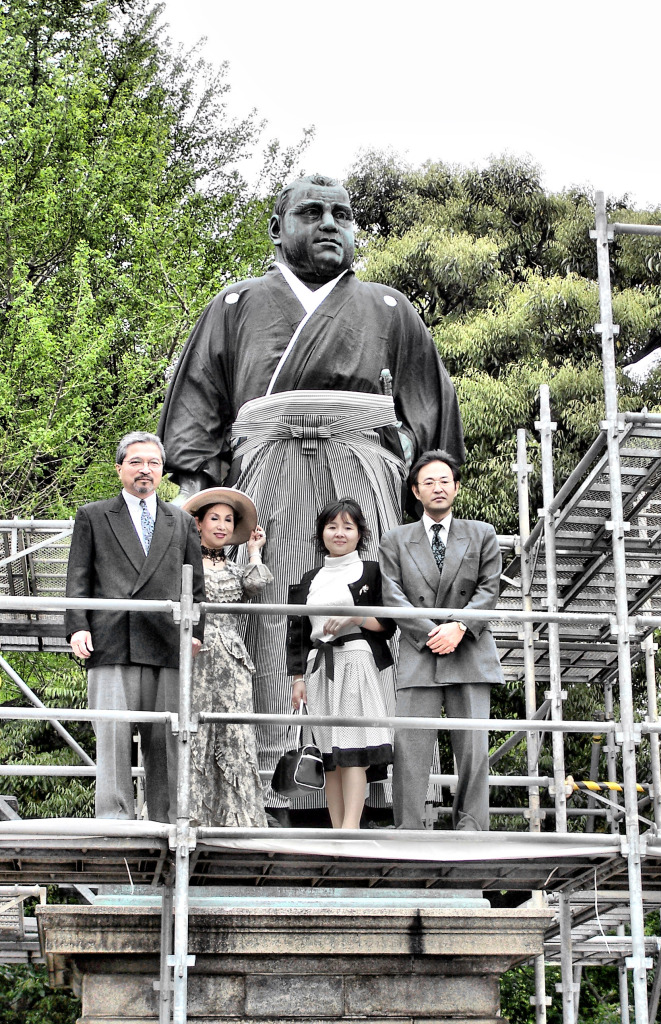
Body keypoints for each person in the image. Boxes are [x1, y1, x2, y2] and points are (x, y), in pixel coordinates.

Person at [158, 173, 465, 817]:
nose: (331, 223)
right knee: (268, 614)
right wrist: (201, 500)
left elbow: (431, 416)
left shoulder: (389, 309)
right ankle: (263, 773)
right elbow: (196, 413)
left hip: (364, 471)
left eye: (342, 213)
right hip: (265, 472)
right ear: (278, 227)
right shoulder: (236, 306)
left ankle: (374, 779)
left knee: (371, 611)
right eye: (312, 211)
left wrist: (416, 488)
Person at [65, 432, 205, 822]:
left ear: (163, 472)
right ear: (120, 468)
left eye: (154, 463)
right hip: (112, 639)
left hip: (165, 641)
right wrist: (77, 626)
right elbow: (77, 577)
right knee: (112, 738)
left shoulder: (180, 521)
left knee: (165, 740)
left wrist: (195, 632)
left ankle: (166, 819)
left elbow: (195, 587)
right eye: (136, 462)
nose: (145, 470)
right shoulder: (93, 515)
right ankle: (114, 819)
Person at [378, 450, 504, 831]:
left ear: (456, 487)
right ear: (415, 491)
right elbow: (392, 595)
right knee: (411, 749)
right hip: (420, 652)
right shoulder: (396, 539)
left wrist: (460, 627)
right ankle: (409, 827)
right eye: (428, 482)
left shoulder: (482, 533)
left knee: (473, 750)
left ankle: (471, 826)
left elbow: (489, 589)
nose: (437, 488)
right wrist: (434, 632)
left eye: (444, 481)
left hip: (470, 651)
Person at [287, 499, 395, 829]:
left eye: (348, 527)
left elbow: (389, 624)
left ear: (359, 533)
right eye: (332, 526)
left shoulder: (373, 571)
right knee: (328, 756)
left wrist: (355, 617)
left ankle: (351, 829)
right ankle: (337, 830)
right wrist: (297, 677)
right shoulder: (309, 578)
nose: (340, 533)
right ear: (321, 533)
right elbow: (297, 632)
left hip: (356, 662)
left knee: (353, 751)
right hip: (319, 667)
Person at [181, 487, 272, 828]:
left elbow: (258, 583)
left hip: (233, 658)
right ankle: (191, 817)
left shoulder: (237, 569)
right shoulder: (183, 564)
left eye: (228, 520)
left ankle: (240, 820)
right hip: (195, 654)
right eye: (214, 518)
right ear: (199, 523)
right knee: (194, 731)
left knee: (235, 734)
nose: (221, 526)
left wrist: (254, 552)